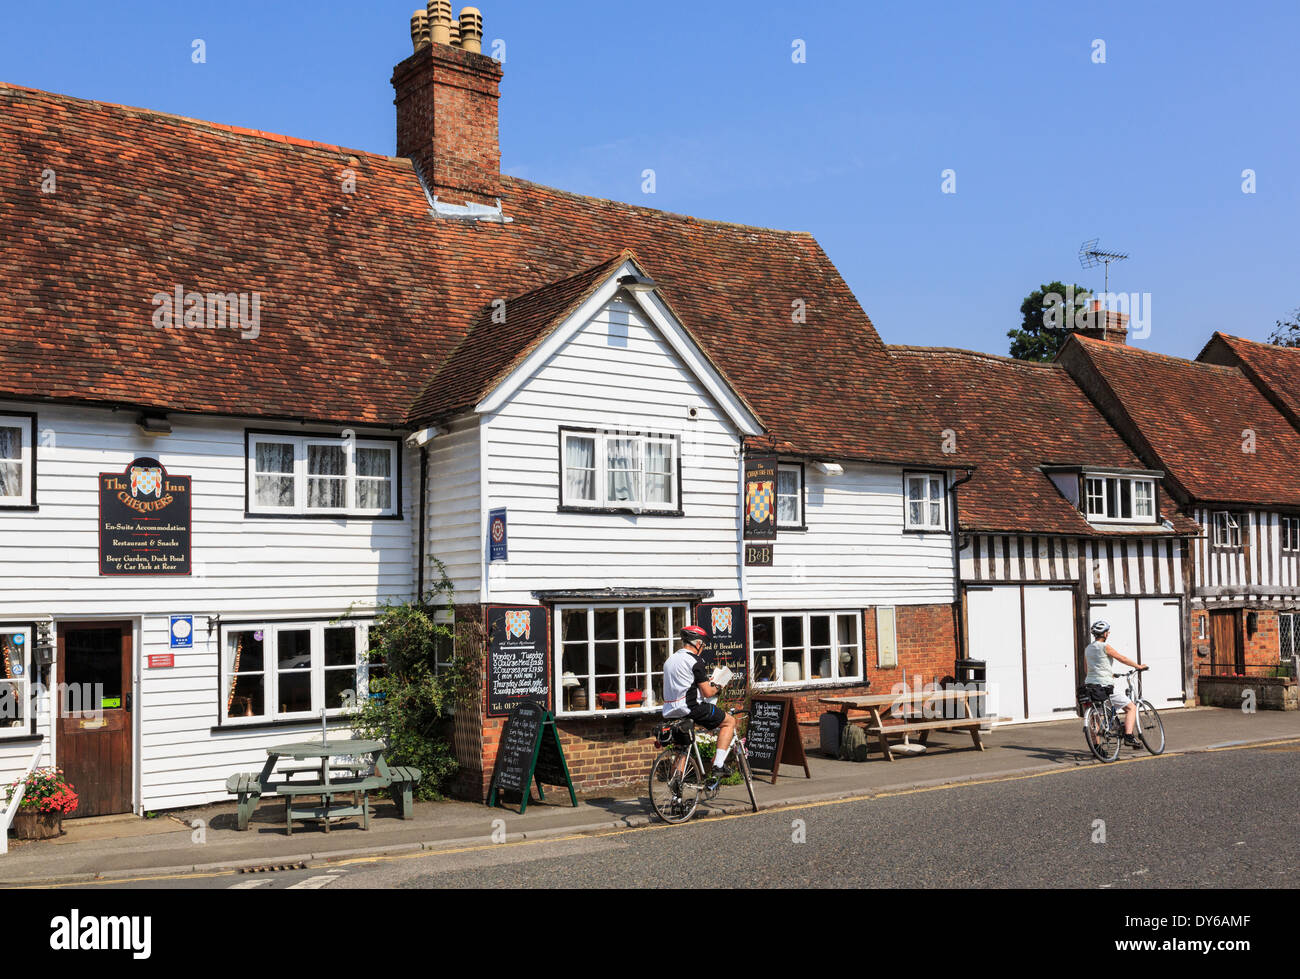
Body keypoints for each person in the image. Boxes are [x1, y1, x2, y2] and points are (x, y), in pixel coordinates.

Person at [662, 624, 737, 793]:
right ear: (697, 643)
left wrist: (706, 681)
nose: (703, 648)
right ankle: (718, 765)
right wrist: (718, 684)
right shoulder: (695, 661)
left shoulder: (670, 660)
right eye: (703, 644)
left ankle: (676, 794)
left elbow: (684, 685)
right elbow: (708, 691)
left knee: (682, 749)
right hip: (691, 709)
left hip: (671, 711)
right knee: (729, 722)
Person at [1085, 620, 1149, 746]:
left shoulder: (1088, 648)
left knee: (1095, 716)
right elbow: (1122, 658)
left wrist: (1110, 673)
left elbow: (1089, 668)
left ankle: (1097, 748)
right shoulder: (1104, 647)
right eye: (1107, 632)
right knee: (1131, 707)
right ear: (1104, 634)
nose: (1108, 633)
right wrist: (1138, 666)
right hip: (1105, 686)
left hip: (1090, 685)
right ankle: (1129, 736)